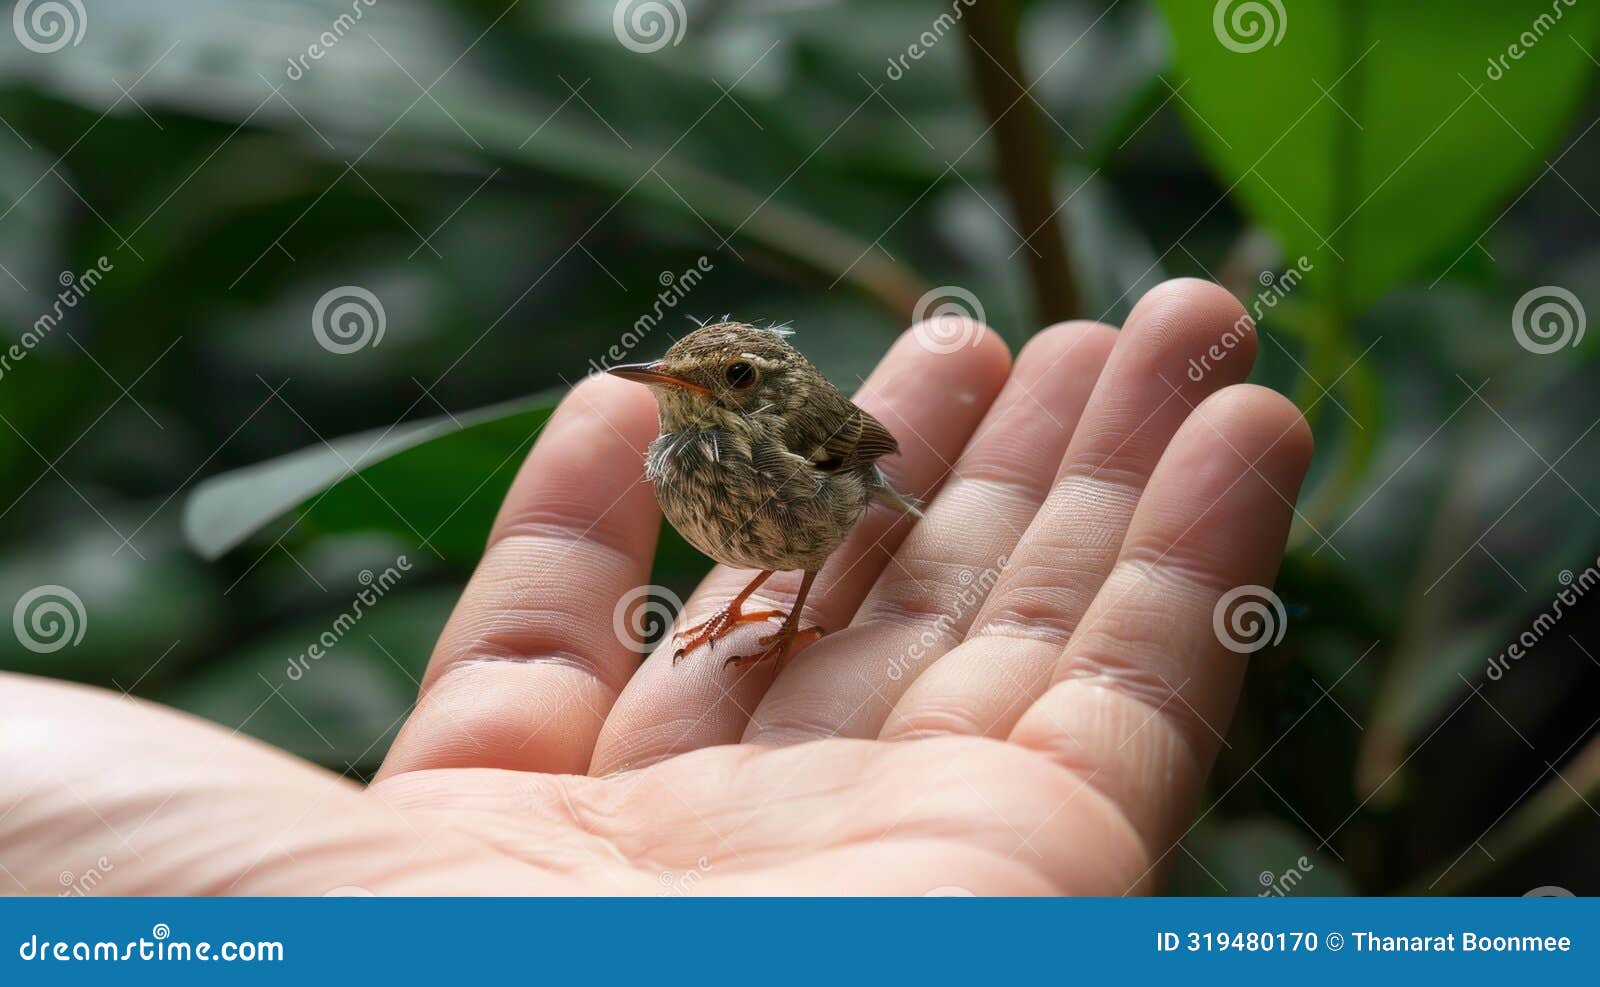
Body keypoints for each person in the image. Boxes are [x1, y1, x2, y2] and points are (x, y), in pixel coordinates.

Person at [1, 279, 1311, 895]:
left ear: (764, 394)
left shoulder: (804, 433)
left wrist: (783, 607)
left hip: (818, 534)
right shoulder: (671, 457)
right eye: (680, 380)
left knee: (780, 579)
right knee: (744, 581)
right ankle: (753, 607)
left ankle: (766, 609)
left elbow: (866, 470)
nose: (686, 394)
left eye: (721, 381)